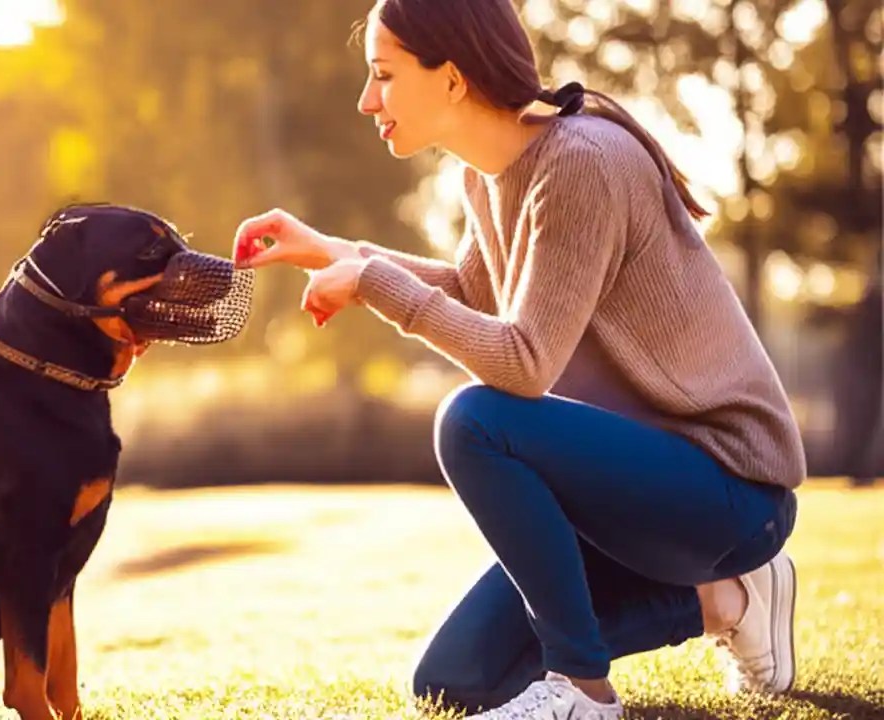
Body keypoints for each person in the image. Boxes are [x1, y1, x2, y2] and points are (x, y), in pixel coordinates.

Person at [232, 1, 805, 718]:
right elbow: (474, 292)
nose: (366, 99)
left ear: (451, 79)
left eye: (383, 75)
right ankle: (726, 600)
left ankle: (583, 690)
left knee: (474, 420)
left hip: (725, 490)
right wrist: (336, 253)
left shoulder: (581, 165)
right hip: (627, 490)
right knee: (453, 683)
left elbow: (524, 362)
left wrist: (373, 284)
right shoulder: (491, 174)